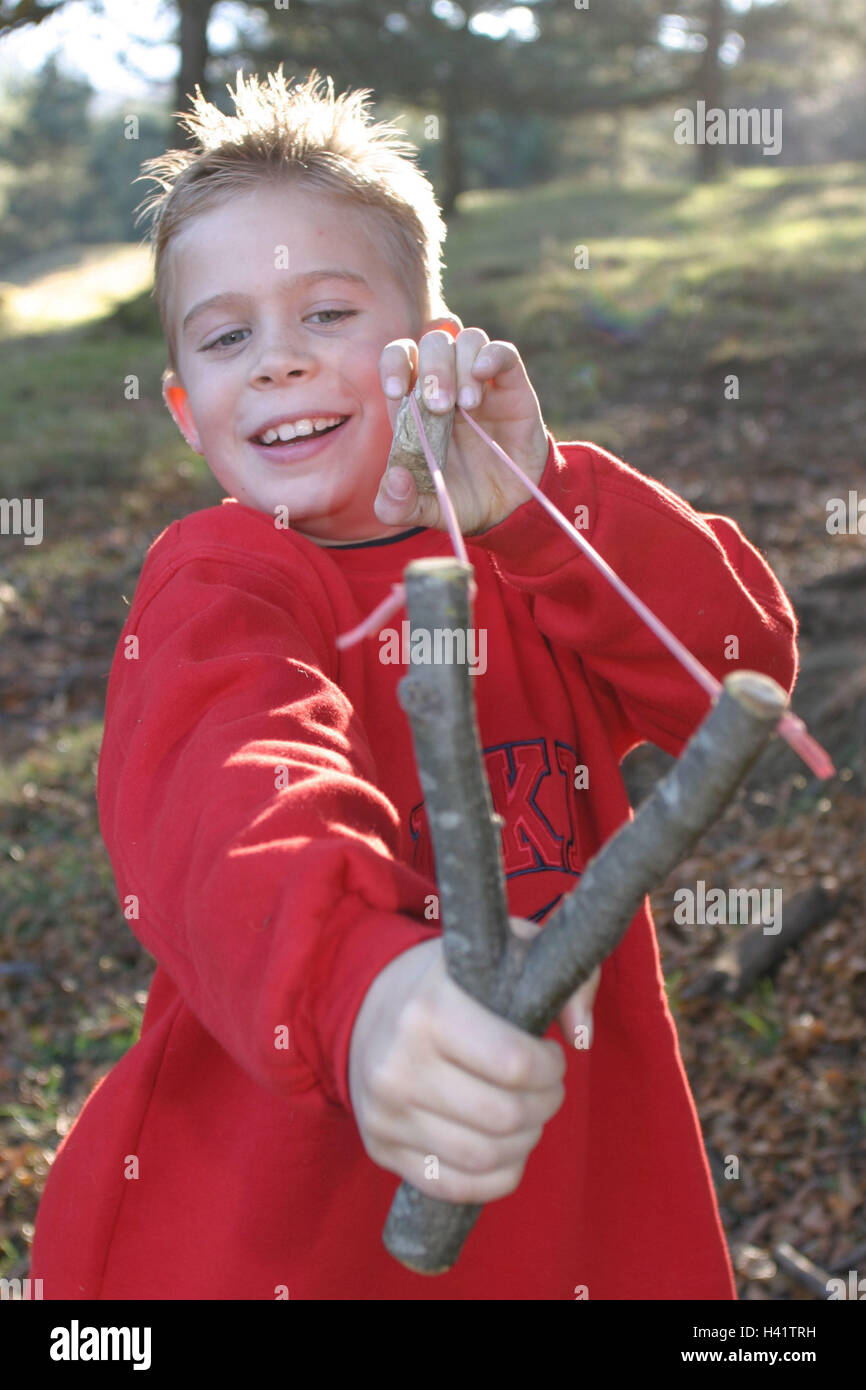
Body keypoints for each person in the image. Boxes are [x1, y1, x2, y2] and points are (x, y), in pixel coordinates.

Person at [29, 68, 798, 1300]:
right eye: (227, 337)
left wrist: (543, 495)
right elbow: (227, 789)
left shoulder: (536, 556)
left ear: (429, 351)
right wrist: (366, 988)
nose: (276, 361)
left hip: (565, 1220)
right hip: (280, 1234)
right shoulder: (217, 581)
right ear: (185, 410)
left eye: (326, 312)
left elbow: (737, 672)